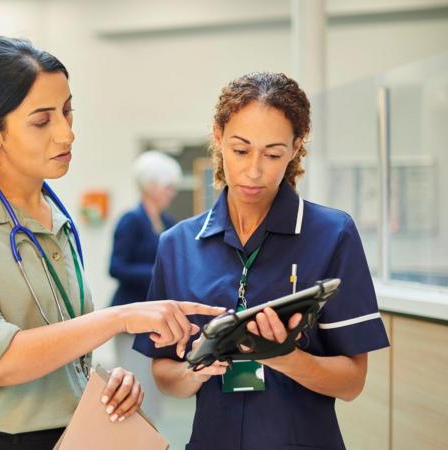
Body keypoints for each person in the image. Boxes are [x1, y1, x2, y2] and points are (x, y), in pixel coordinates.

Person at [0, 36, 224, 450]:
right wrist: (119, 318)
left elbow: (60, 347)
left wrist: (102, 383)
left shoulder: (54, 214)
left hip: (66, 436)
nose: (67, 134)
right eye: (42, 121)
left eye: (67, 111)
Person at [133, 72, 390, 450]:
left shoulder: (333, 234)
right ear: (218, 137)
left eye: (273, 154)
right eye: (240, 150)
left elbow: (352, 381)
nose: (255, 170)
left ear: (296, 145)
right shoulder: (177, 244)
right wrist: (196, 370)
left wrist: (286, 358)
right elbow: (163, 372)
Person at [108, 150, 181, 419]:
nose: (171, 193)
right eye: (167, 186)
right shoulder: (131, 221)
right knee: (133, 390)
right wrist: (156, 273)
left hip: (154, 322)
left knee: (151, 396)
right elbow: (116, 267)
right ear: (150, 186)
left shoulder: (168, 223)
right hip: (128, 321)